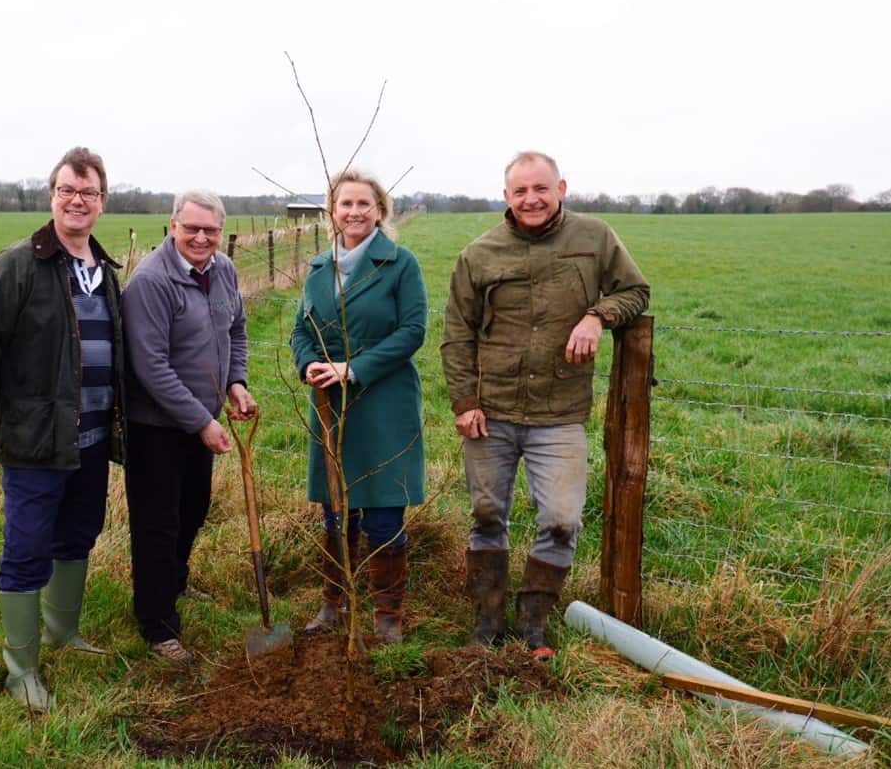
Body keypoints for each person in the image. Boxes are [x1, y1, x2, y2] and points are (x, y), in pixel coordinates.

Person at [441, 151, 649, 659]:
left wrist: (598, 316)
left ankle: (534, 622)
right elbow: (456, 333)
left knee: (561, 520)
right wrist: (465, 402)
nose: (530, 199)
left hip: (559, 412)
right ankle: (487, 623)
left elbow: (636, 291)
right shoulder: (479, 253)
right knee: (487, 516)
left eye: (540, 189)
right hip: (491, 412)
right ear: (506, 196)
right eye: (519, 191)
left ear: (561, 187)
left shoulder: (595, 238)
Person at [0, 146, 125, 712]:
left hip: (93, 437)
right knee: (27, 547)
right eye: (67, 191)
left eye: (88, 193)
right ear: (52, 197)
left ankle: (63, 633)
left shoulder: (104, 271)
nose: (77, 201)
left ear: (102, 202)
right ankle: (21, 670)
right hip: (34, 439)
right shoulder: (18, 266)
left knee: (79, 533)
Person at [291, 169, 428, 644]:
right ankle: (334, 603)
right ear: (332, 211)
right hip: (330, 404)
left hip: (384, 401)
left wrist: (353, 368)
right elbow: (301, 331)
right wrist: (310, 364)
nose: (354, 212)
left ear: (380, 211)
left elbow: (412, 332)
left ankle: (387, 616)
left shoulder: (400, 264)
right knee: (335, 509)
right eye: (345, 204)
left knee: (385, 512)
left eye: (363, 204)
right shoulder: (316, 269)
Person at [121, 189, 257, 663]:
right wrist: (202, 421)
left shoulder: (223, 271)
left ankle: (174, 583)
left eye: (211, 230)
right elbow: (151, 366)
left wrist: (235, 383)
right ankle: (157, 623)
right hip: (156, 426)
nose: (202, 238)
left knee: (193, 509)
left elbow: (235, 330)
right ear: (173, 225)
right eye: (192, 228)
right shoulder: (151, 282)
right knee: (157, 522)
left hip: (202, 419)